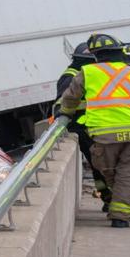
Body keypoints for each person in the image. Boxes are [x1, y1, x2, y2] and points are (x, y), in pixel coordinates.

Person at [56, 32, 130, 227]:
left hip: (105, 135)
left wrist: (64, 115)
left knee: (111, 174)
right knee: (129, 173)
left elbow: (70, 98)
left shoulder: (87, 72)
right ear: (120, 52)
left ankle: (120, 216)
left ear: (96, 55)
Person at [55, 41, 113, 211]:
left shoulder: (76, 73)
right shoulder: (73, 76)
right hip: (82, 128)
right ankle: (109, 197)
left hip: (86, 126)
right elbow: (65, 104)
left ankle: (108, 197)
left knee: (98, 167)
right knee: (101, 166)